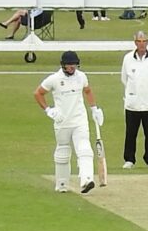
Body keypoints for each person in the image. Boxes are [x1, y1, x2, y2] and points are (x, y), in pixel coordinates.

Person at [32, 50, 102, 195]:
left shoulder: (81, 76)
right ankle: (62, 184)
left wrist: (94, 108)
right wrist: (48, 110)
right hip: (62, 121)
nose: (72, 68)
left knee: (84, 148)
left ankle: (86, 180)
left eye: (74, 65)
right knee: (63, 151)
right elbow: (38, 93)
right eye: (69, 65)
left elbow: (88, 91)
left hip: (79, 120)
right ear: (63, 65)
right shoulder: (54, 79)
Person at [119, 29, 148, 168]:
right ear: (135, 43)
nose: (142, 44)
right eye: (139, 41)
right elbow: (124, 79)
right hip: (132, 103)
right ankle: (129, 159)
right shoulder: (127, 58)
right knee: (130, 133)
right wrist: (133, 92)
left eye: (144, 41)